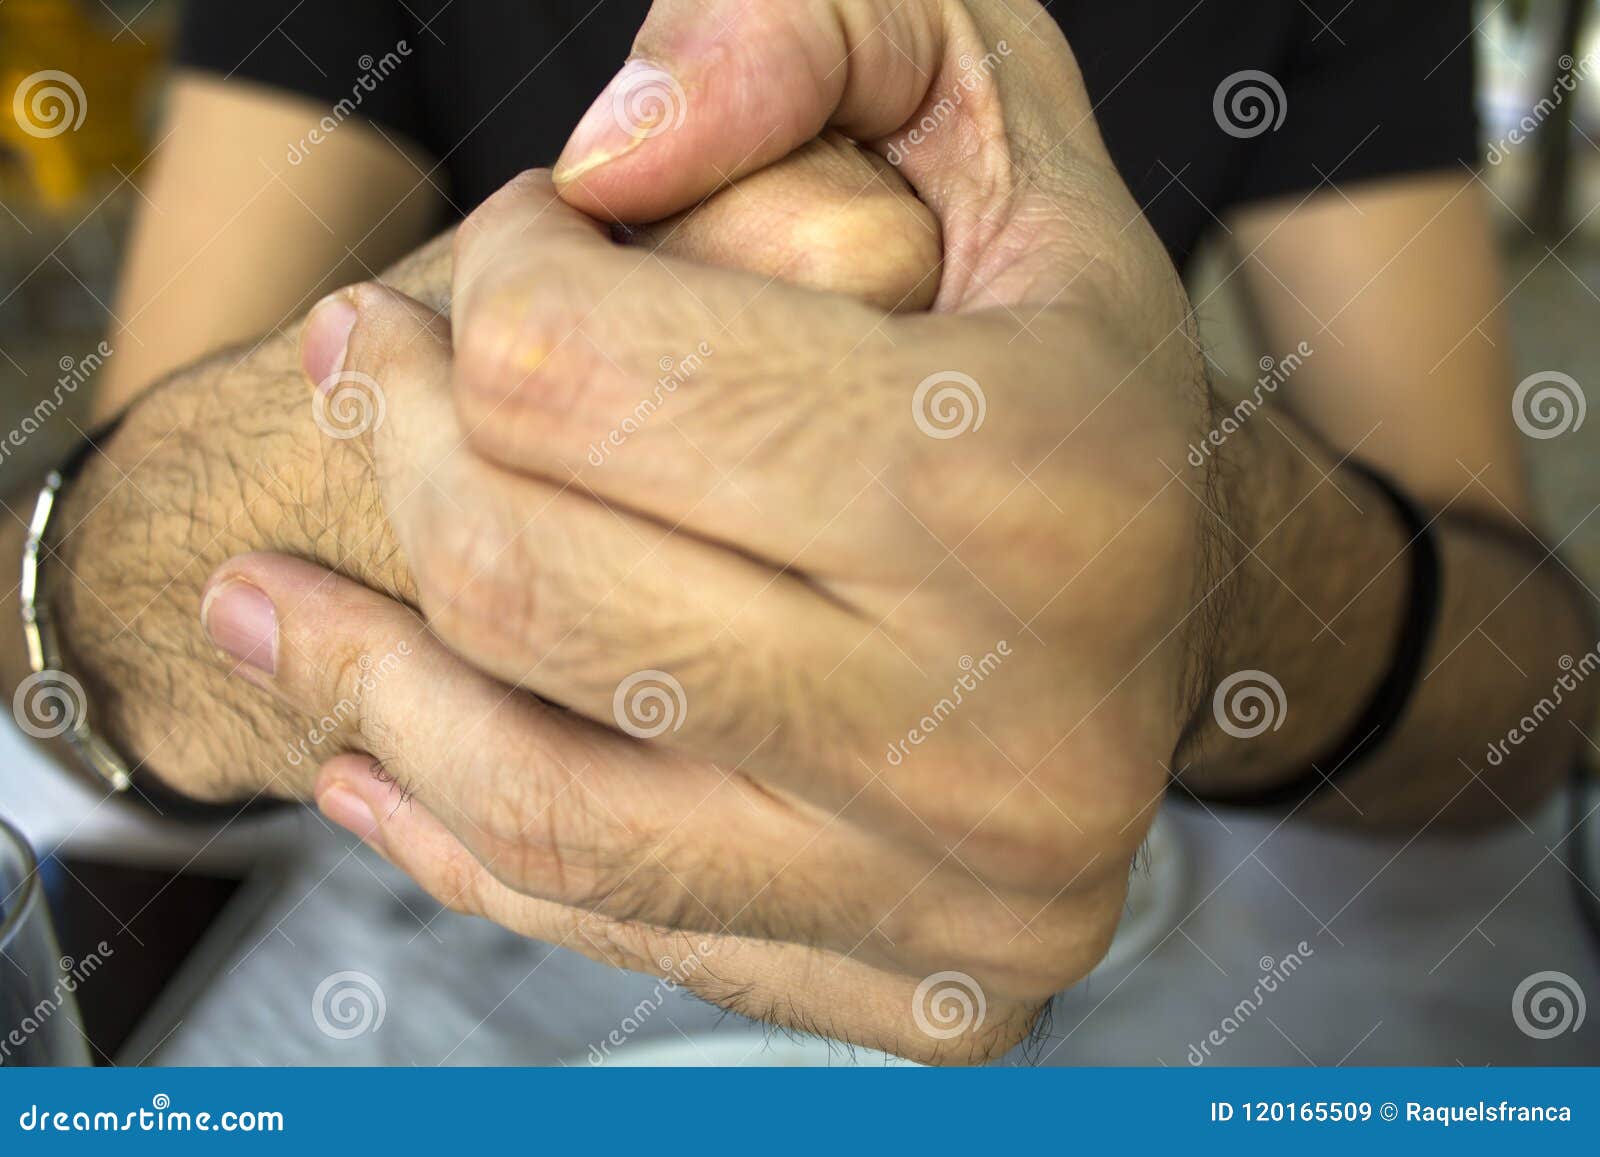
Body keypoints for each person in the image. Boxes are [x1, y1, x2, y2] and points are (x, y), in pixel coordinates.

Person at [2, 0, 1591, 1063]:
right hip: (430, 930)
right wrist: (369, 460)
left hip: (1088, 885)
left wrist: (1216, 565)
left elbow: (1528, 685)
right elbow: (64, 600)